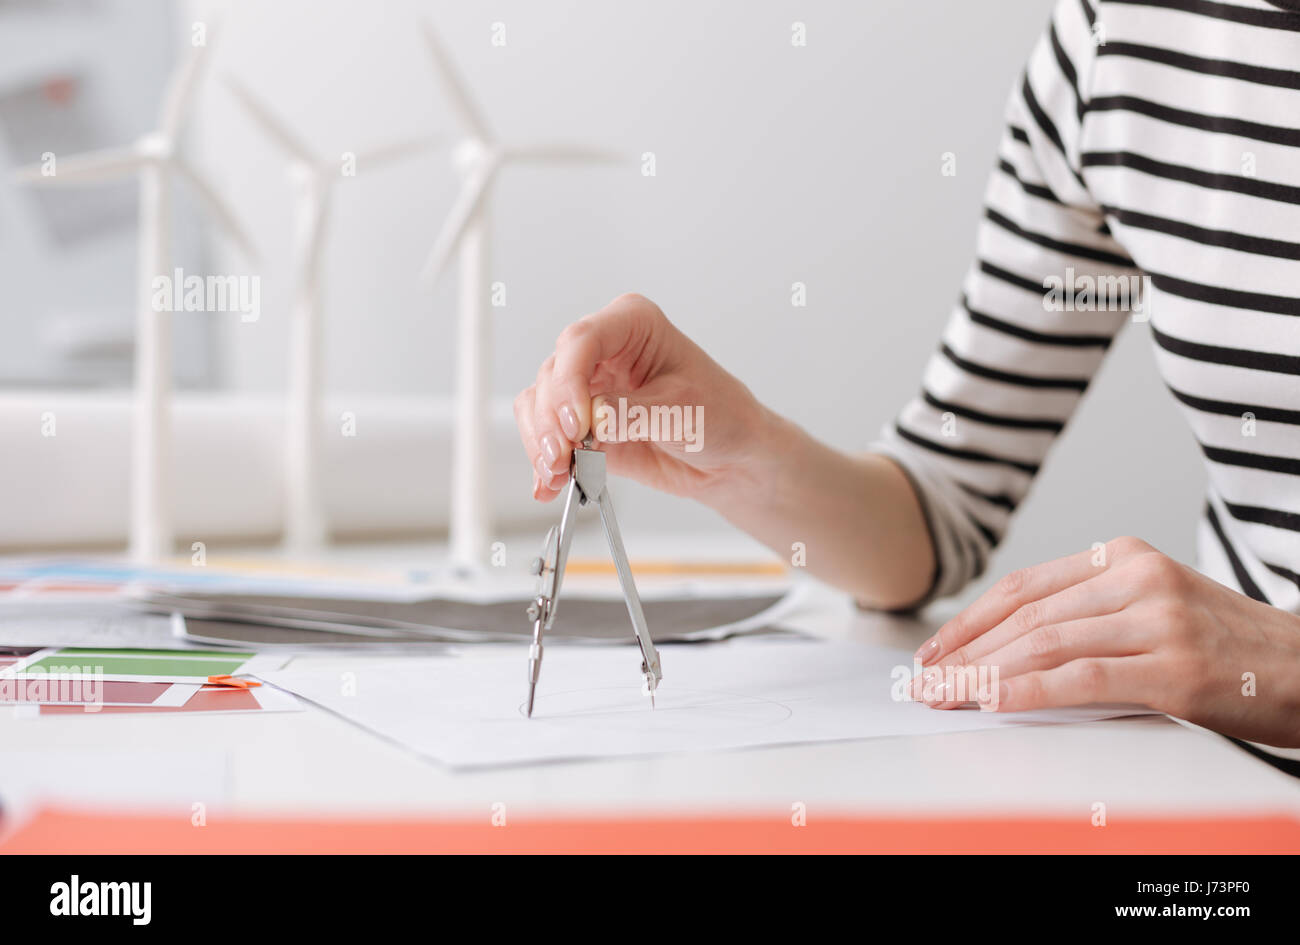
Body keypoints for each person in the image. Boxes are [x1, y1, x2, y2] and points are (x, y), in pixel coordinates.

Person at [513, 0, 1300, 751]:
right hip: (1231, 793)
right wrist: (740, 447)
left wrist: (1279, 663)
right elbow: (944, 506)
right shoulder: (1117, 43)